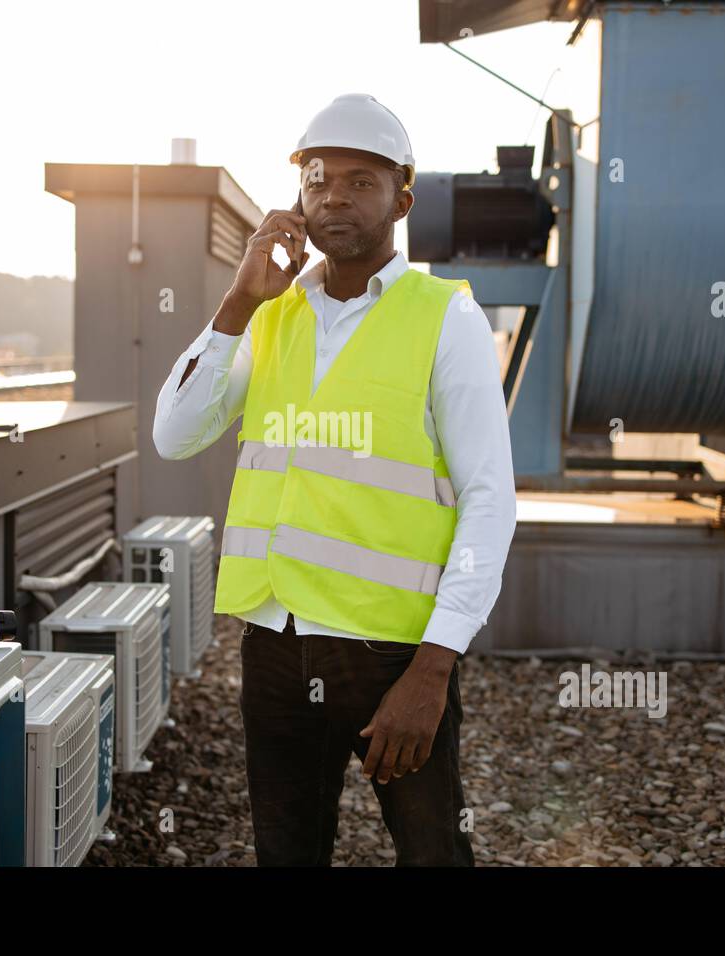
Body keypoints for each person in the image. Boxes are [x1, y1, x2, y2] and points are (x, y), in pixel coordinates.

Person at [153, 93, 516, 866]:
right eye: (318, 179)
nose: (333, 197)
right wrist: (239, 298)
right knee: (288, 855)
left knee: (434, 855)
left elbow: (490, 501)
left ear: (402, 198)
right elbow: (174, 434)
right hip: (276, 644)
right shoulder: (270, 315)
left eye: (360, 180)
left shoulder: (444, 318)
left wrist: (433, 668)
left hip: (391, 654)